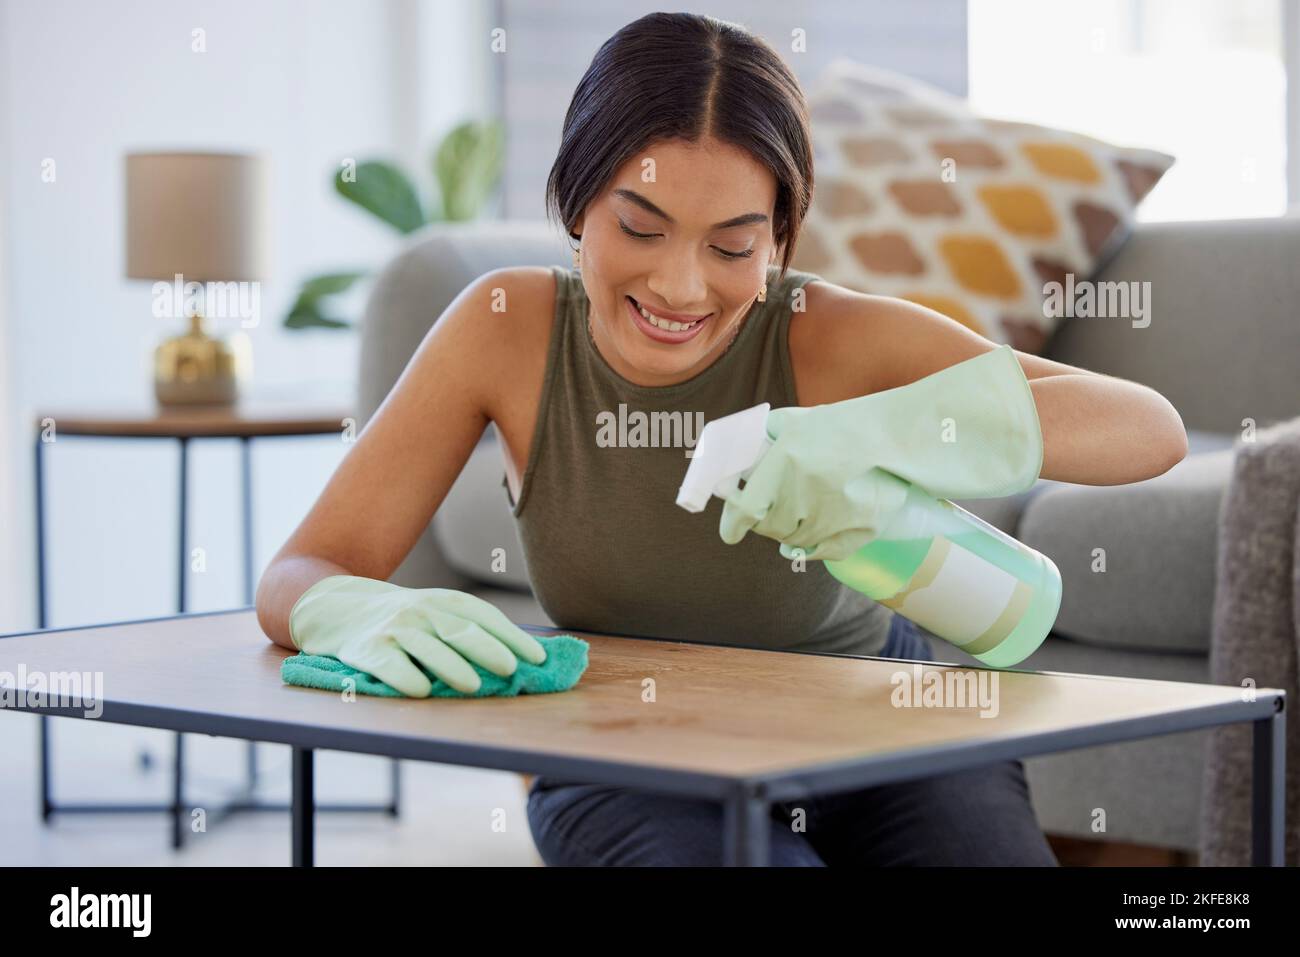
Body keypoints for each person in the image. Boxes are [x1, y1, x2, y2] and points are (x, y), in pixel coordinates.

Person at [256, 12, 1188, 866]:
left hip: (879, 725)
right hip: (629, 759)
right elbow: (304, 566)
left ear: (779, 240)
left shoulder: (825, 335)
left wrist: (874, 426)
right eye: (640, 227)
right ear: (574, 202)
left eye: (732, 247)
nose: (681, 286)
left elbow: (1149, 430)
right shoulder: (506, 327)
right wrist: (351, 609)